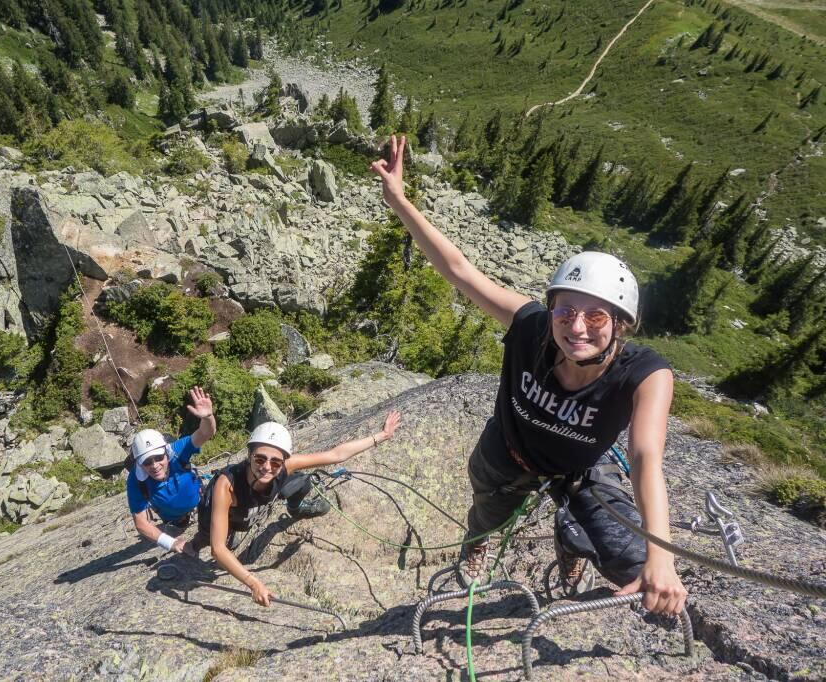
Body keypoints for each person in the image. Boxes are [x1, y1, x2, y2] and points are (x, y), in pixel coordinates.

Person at [370, 135, 686, 616]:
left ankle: (572, 540)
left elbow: (645, 458)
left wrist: (660, 557)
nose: (577, 327)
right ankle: (477, 546)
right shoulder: (532, 327)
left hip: (581, 468)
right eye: (567, 311)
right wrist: (400, 201)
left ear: (622, 323)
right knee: (487, 515)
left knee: (629, 558)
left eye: (597, 317)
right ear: (552, 308)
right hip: (509, 453)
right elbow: (459, 271)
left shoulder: (646, 373)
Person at [197, 412, 402, 607]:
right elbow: (218, 550)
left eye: (276, 462)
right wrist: (253, 583)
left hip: (257, 501)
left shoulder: (287, 466)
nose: (267, 467)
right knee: (216, 537)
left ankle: (296, 507)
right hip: (236, 511)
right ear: (249, 455)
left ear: (284, 461)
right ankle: (212, 537)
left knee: (303, 481)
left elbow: (336, 454)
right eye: (260, 459)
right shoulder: (227, 485)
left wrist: (382, 436)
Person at [126, 386, 215, 555]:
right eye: (147, 461)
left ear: (166, 453)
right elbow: (141, 522)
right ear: (139, 463)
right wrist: (172, 543)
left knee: (210, 510)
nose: (154, 465)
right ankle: (182, 519)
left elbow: (205, 433)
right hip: (174, 518)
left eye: (159, 458)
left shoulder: (177, 450)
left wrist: (208, 417)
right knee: (179, 524)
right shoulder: (136, 480)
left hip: (200, 499)